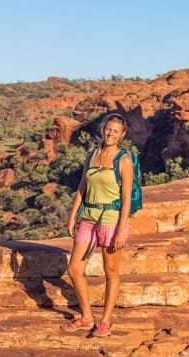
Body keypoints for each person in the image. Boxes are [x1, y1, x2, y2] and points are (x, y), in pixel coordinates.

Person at [61, 113, 134, 337]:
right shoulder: (93, 154)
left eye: (116, 131)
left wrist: (123, 228)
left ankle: (106, 322)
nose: (110, 133)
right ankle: (86, 317)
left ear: (122, 135)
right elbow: (82, 186)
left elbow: (127, 197)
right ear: (104, 129)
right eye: (108, 129)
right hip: (89, 217)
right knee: (74, 269)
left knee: (110, 271)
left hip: (111, 218)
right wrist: (73, 215)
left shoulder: (124, 159)